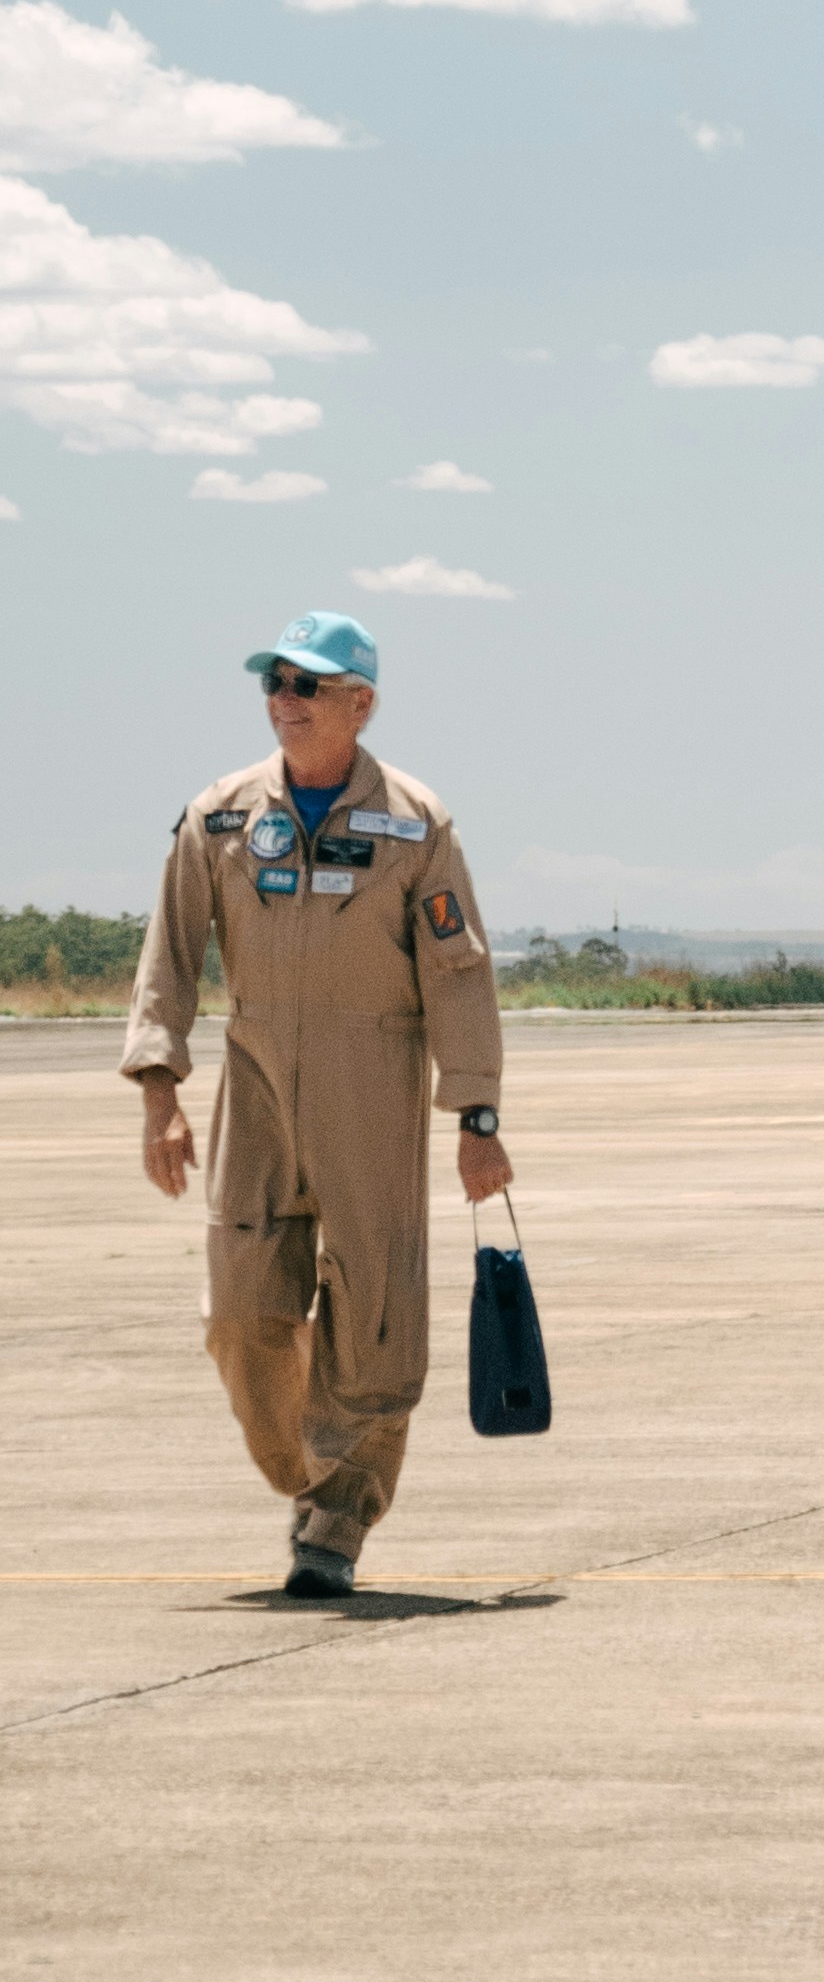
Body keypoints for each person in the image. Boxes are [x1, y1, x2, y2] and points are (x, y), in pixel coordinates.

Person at [123, 611, 511, 1600]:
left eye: (308, 686)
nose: (284, 701)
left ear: (359, 704)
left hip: (373, 1074)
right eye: (276, 684)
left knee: (375, 1316)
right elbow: (168, 957)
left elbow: (458, 977)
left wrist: (475, 1117)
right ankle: (307, 1470)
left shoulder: (416, 822)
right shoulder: (220, 814)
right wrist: (160, 1092)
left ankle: (337, 1524)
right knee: (244, 1314)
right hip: (254, 1080)